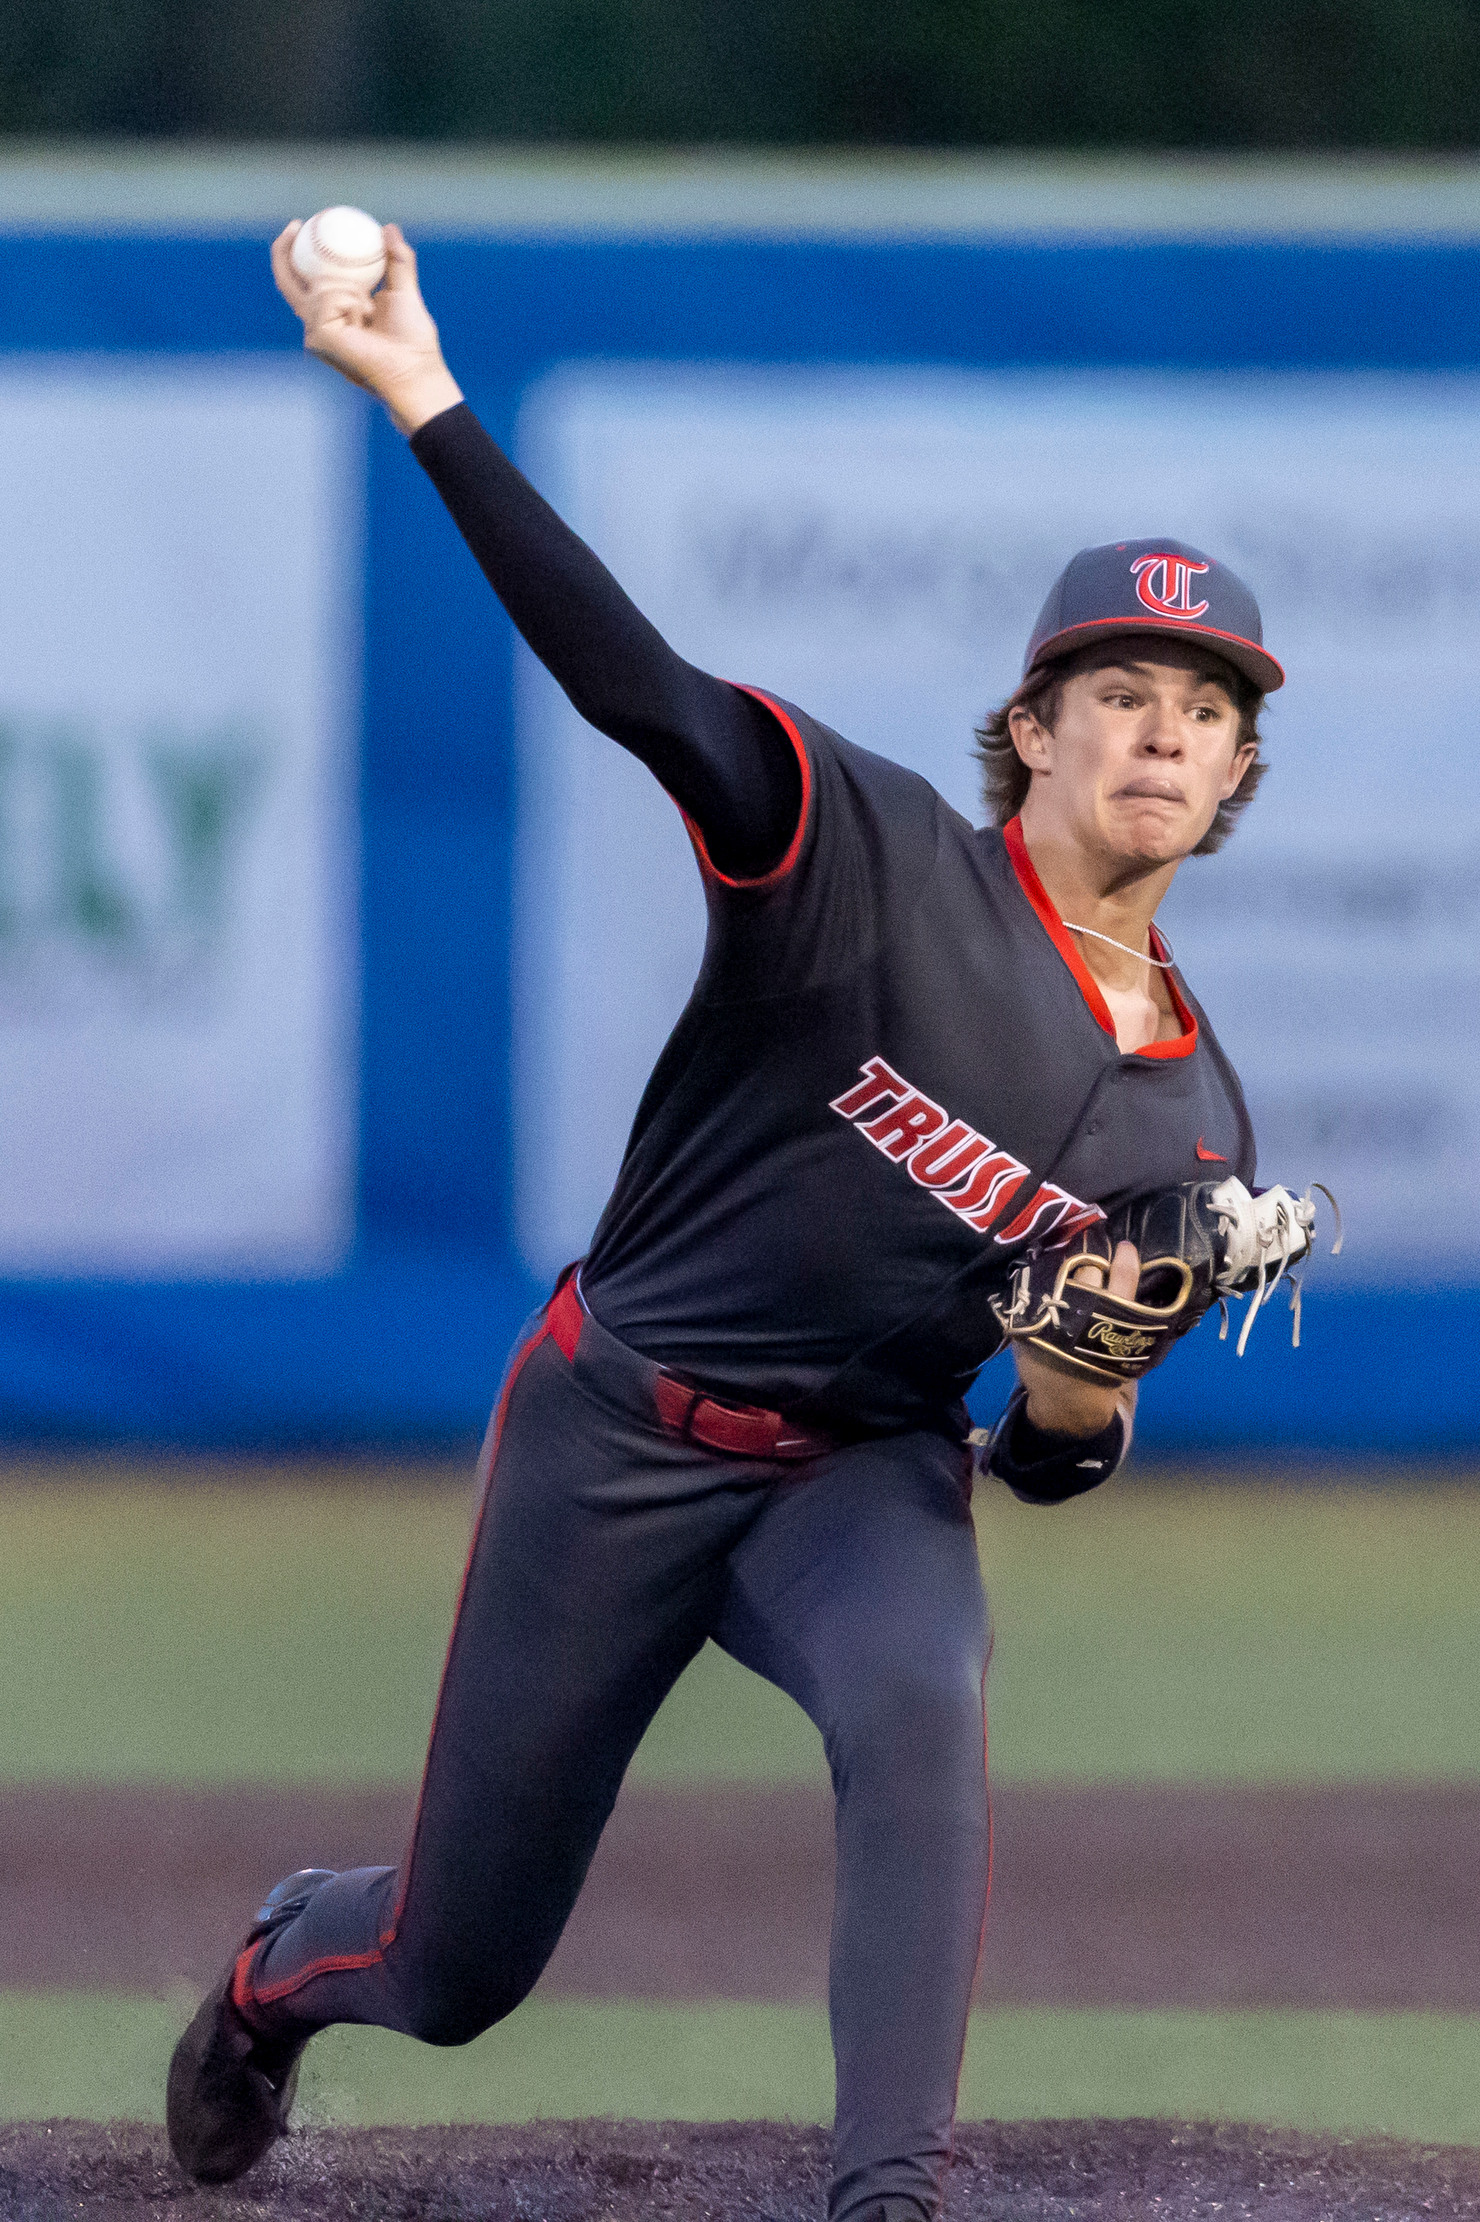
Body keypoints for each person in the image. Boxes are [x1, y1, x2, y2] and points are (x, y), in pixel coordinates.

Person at [166, 225, 1276, 2222]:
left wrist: (1079, 1386)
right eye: (1115, 689)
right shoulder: (852, 847)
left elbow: (1039, 1456)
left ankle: (888, 2191)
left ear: (1231, 781)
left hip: (849, 1474)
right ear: (1028, 730)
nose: (1157, 733)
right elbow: (632, 678)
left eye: (1201, 713)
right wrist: (422, 397)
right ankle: (272, 1975)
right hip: (611, 1429)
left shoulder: (1191, 1120)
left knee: (925, 1696)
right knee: (451, 1965)